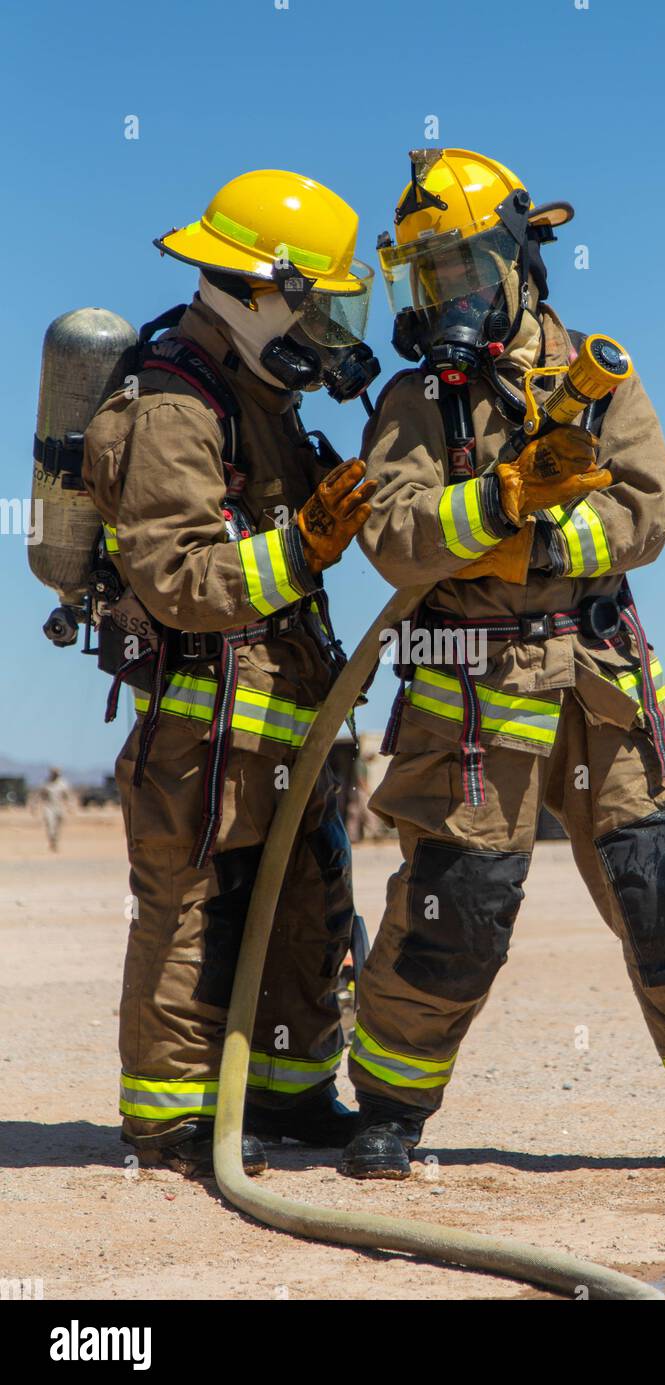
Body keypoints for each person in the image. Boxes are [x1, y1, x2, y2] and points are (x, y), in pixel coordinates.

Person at [339, 148, 665, 1182]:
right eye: (430, 278)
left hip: (602, 681)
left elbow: (646, 508)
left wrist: (538, 547)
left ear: (520, 261)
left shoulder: (598, 374)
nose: (451, 299)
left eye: (467, 272)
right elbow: (393, 537)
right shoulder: (413, 402)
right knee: (458, 900)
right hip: (473, 692)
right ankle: (386, 1107)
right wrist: (501, 506)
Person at [83, 169, 378, 1178]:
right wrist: (302, 545)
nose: (326, 326)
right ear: (260, 288)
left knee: (305, 907)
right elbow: (174, 579)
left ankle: (292, 1097)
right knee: (192, 918)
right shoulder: (172, 401)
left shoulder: (259, 394)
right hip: (200, 731)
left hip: (280, 718)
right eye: (315, 301)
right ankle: (169, 1126)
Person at [38, 767, 73, 852]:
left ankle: (55, 842)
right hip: (49, 807)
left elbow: (68, 796)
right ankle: (52, 839)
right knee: (50, 825)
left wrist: (70, 806)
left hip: (59, 807)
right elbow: (39, 795)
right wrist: (34, 805)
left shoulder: (63, 784)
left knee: (57, 826)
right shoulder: (46, 783)